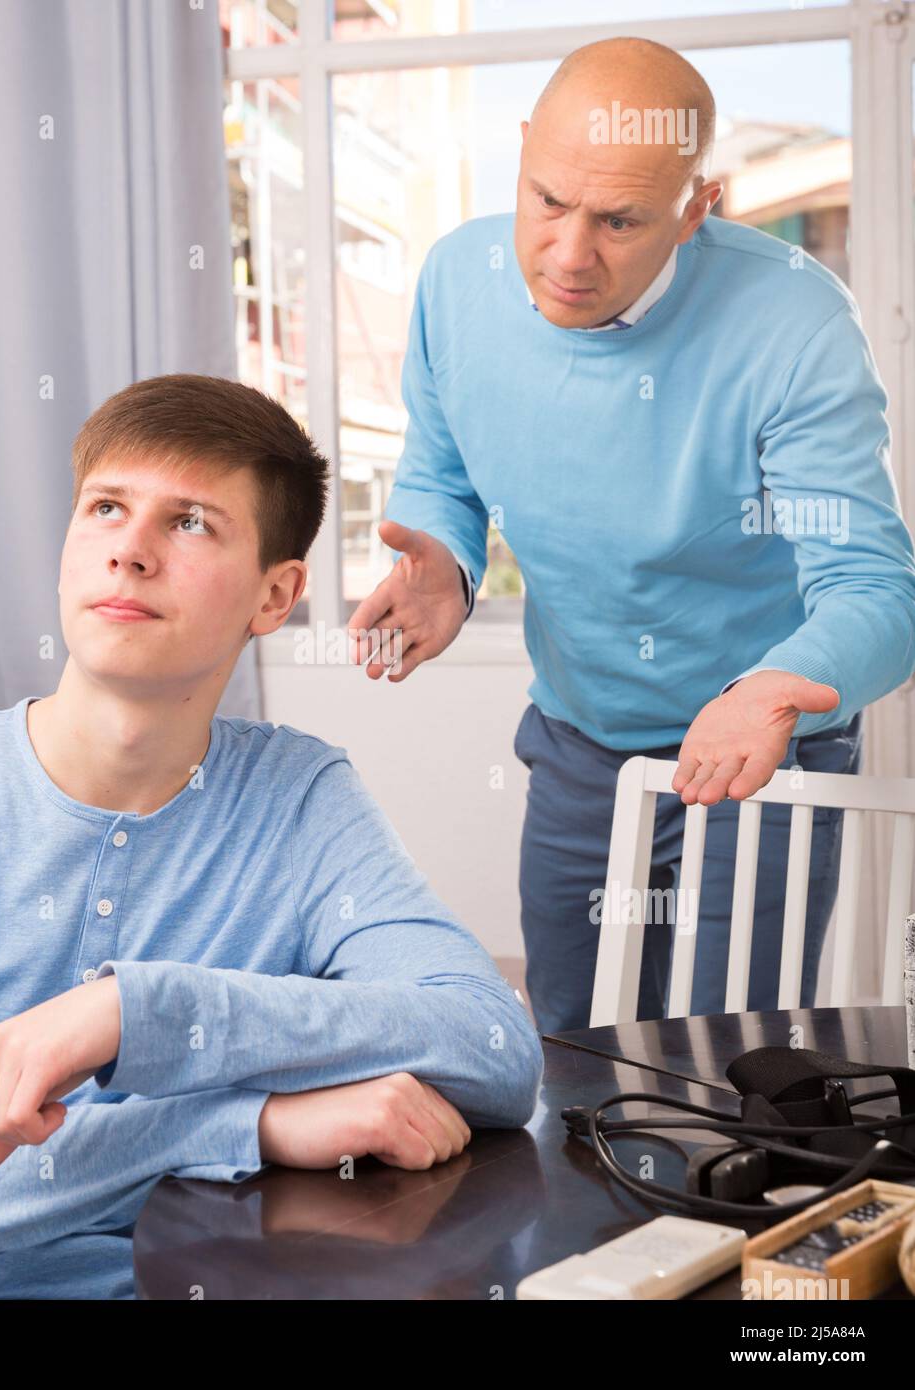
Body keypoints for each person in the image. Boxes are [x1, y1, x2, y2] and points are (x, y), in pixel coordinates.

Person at [0, 374, 542, 1300]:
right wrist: (245, 1122)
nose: (130, 552)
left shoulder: (299, 794)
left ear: (276, 596)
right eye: (106, 508)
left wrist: (132, 1015)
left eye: (190, 521)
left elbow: (496, 1046)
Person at [347, 38, 915, 1034]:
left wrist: (772, 688)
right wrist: (452, 561)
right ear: (523, 152)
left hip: (761, 754)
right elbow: (441, 466)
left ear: (700, 204)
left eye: (619, 221)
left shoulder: (796, 322)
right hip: (581, 746)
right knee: (569, 1040)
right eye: (548, 200)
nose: (569, 255)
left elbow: (878, 591)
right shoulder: (455, 282)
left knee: (732, 1059)